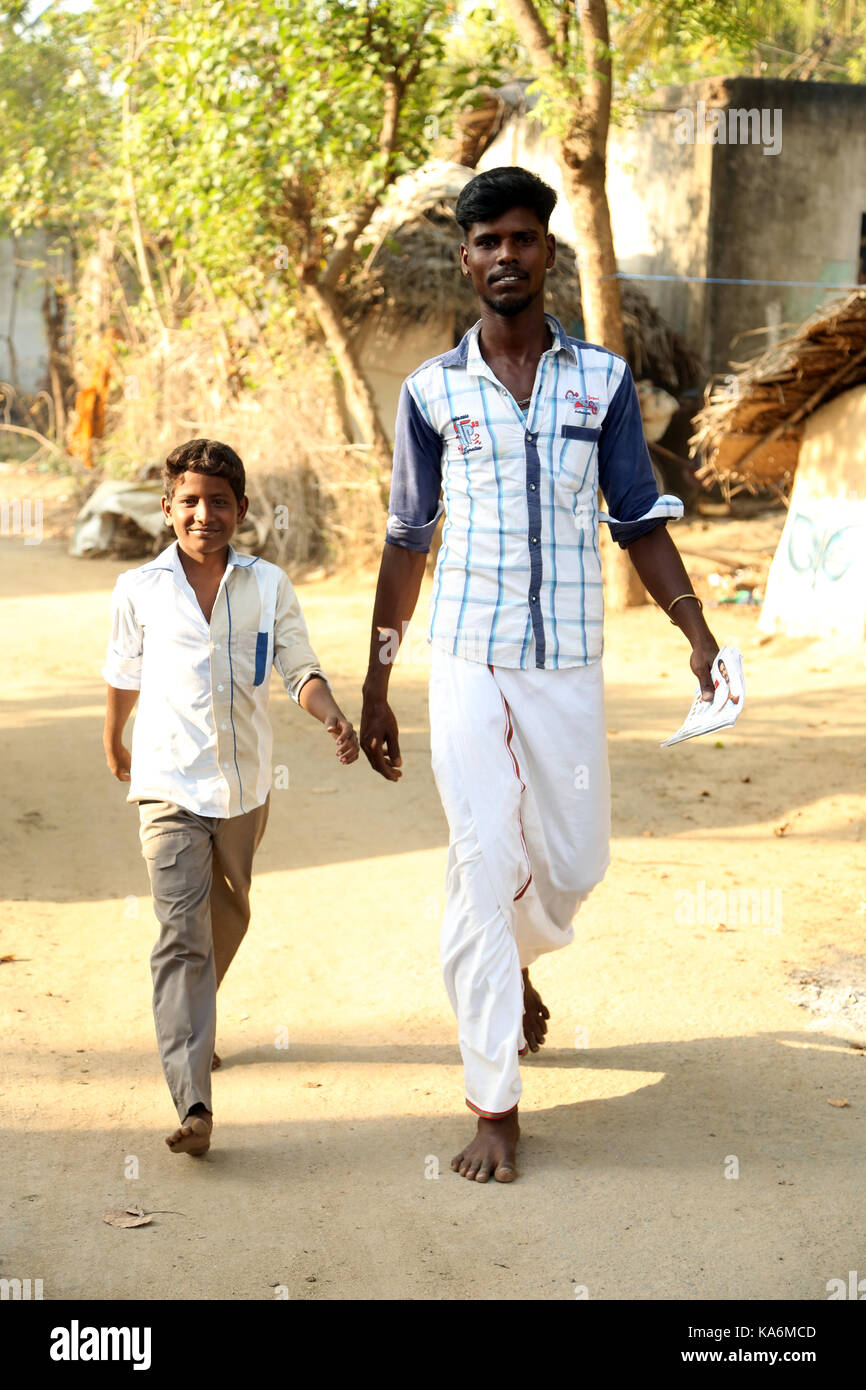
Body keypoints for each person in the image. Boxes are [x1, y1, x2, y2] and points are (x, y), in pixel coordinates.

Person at [360, 166, 719, 1183]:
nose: (503, 255)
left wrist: (696, 632)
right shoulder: (431, 393)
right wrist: (379, 678)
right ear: (466, 258)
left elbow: (638, 517)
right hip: (465, 656)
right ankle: (492, 1103)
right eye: (486, 242)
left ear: (544, 252)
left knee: (574, 858)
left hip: (565, 658)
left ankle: (517, 957)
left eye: (521, 238)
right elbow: (405, 540)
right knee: (480, 861)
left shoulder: (600, 381)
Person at [103, 438, 358, 1157]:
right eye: (189, 501)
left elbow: (297, 667)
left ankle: (193, 1018)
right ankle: (194, 1100)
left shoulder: (267, 585)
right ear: (166, 510)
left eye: (219, 502)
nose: (203, 514)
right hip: (166, 782)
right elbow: (123, 673)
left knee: (229, 913)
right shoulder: (140, 591)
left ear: (242, 509)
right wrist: (113, 736)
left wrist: (332, 714)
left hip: (244, 789)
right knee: (180, 932)